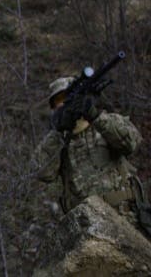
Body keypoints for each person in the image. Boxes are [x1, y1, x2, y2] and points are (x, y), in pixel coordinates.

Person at [37, 76, 145, 231]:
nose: (63, 103)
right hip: (87, 230)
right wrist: (58, 132)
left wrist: (94, 115)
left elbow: (131, 142)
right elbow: (42, 172)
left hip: (125, 221)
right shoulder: (59, 141)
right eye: (58, 101)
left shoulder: (105, 123)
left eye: (67, 97)